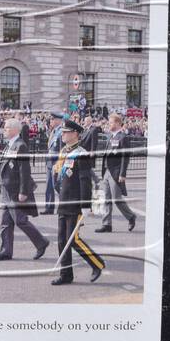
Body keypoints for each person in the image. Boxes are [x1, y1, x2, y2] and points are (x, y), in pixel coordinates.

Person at [50, 119, 104, 285]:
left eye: (65, 132)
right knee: (61, 240)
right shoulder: (64, 151)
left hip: (75, 202)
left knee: (73, 240)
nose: (63, 134)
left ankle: (97, 264)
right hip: (64, 201)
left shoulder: (81, 153)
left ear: (75, 134)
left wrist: (86, 205)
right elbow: (60, 176)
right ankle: (66, 274)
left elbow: (85, 181)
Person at [0, 119, 49, 261]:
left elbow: (25, 171)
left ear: (14, 129)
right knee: (6, 222)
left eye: (6, 128)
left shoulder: (20, 146)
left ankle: (41, 242)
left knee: (20, 220)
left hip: (15, 190)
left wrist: (23, 191)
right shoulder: (10, 145)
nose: (4, 130)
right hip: (7, 189)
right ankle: (6, 251)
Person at [97, 112, 137, 233]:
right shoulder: (110, 136)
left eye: (111, 122)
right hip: (107, 171)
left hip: (116, 171)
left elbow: (126, 156)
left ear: (118, 123)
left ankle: (131, 216)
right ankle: (106, 224)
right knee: (106, 199)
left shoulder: (123, 137)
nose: (108, 124)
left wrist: (122, 174)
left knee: (116, 198)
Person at [43, 112, 65, 214]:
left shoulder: (61, 132)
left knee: (57, 185)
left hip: (56, 162)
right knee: (49, 186)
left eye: (52, 119)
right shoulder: (53, 131)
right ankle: (49, 207)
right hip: (50, 162)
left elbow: (62, 150)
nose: (50, 121)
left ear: (58, 120)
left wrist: (60, 164)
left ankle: (65, 205)